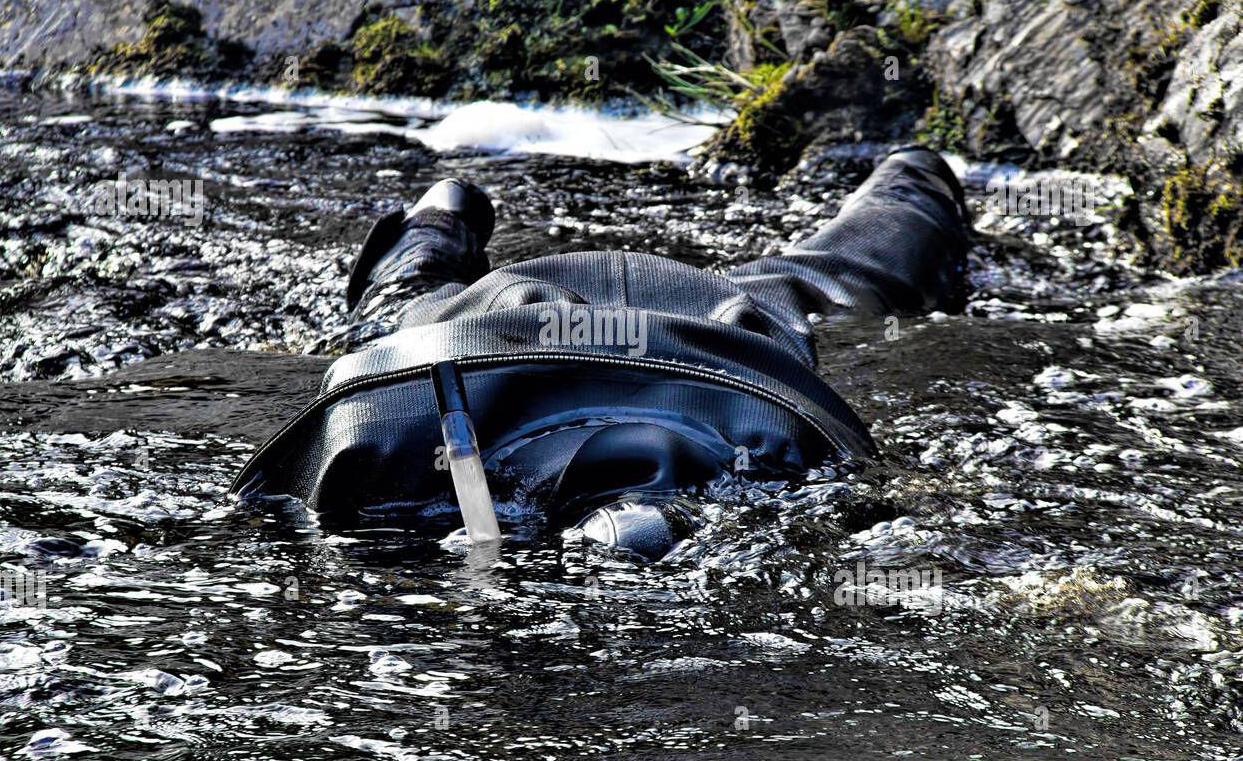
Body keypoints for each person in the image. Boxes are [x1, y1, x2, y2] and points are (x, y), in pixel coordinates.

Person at [231, 147, 969, 560]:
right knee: (406, 298)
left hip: (708, 344)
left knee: (851, 272)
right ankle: (442, 214)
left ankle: (914, 177)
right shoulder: (405, 443)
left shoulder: (773, 467)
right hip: (562, 340)